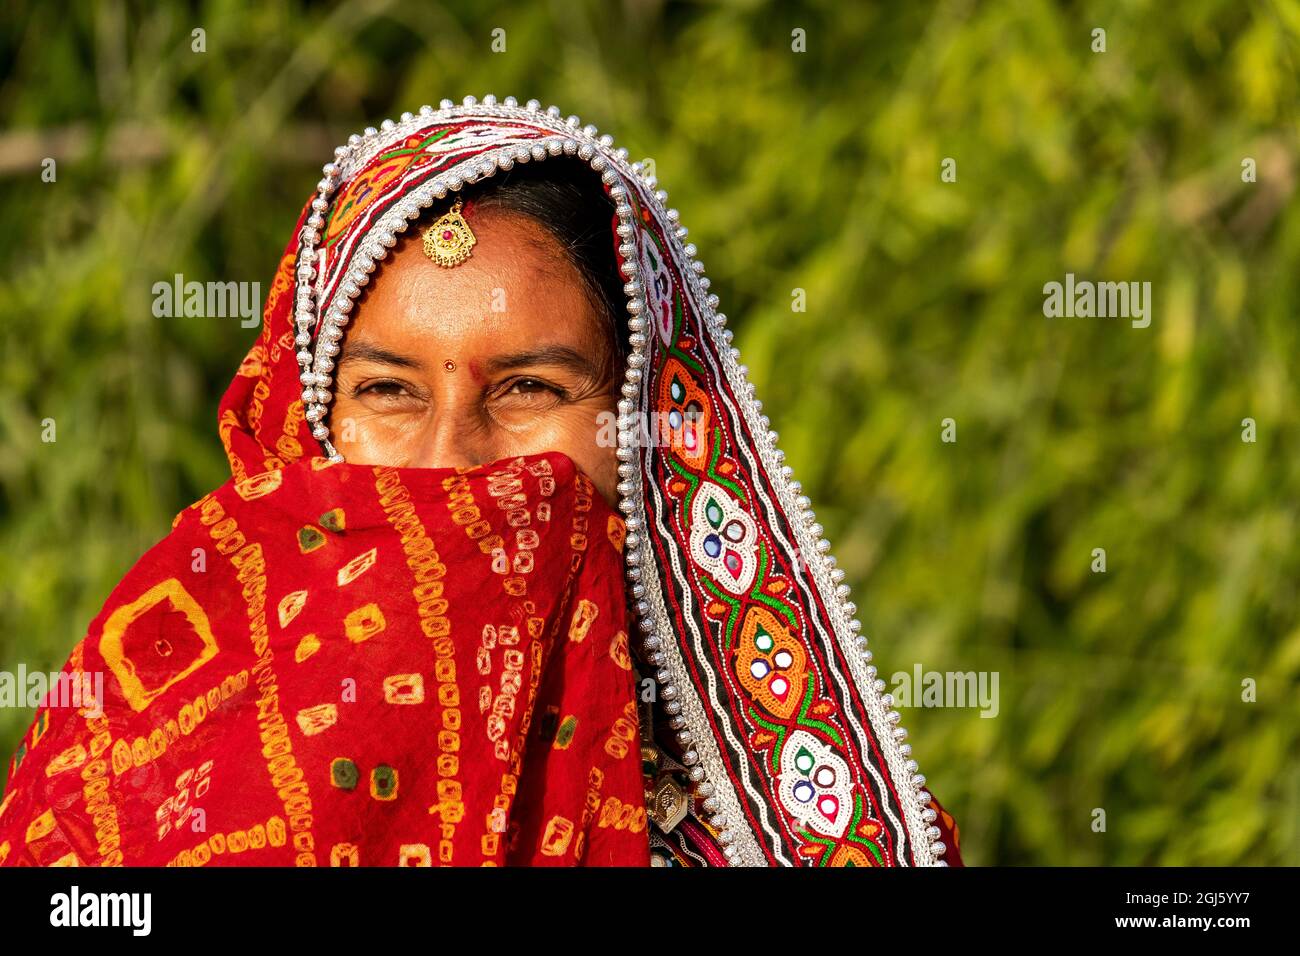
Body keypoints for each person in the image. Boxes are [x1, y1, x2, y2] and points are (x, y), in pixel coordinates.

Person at [0, 96, 963, 867]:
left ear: (644, 440)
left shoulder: (802, 846)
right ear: (309, 428)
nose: (450, 457)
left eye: (529, 388)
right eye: (386, 389)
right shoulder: (145, 792)